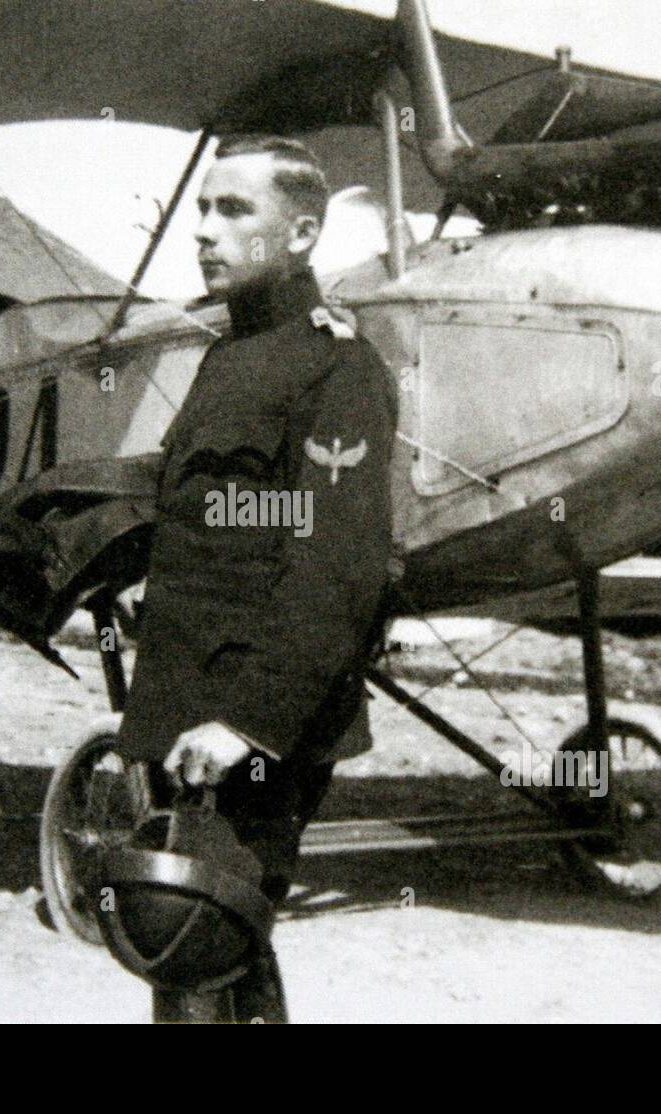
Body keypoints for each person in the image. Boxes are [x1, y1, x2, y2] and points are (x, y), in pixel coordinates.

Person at [114, 135, 397, 1022]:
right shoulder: (228, 356)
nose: (203, 230)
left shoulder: (336, 367)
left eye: (234, 210)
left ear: (303, 232)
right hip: (183, 704)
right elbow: (223, 520)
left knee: (203, 942)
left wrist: (250, 722)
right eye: (202, 208)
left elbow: (337, 569)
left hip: (251, 722)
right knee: (199, 951)